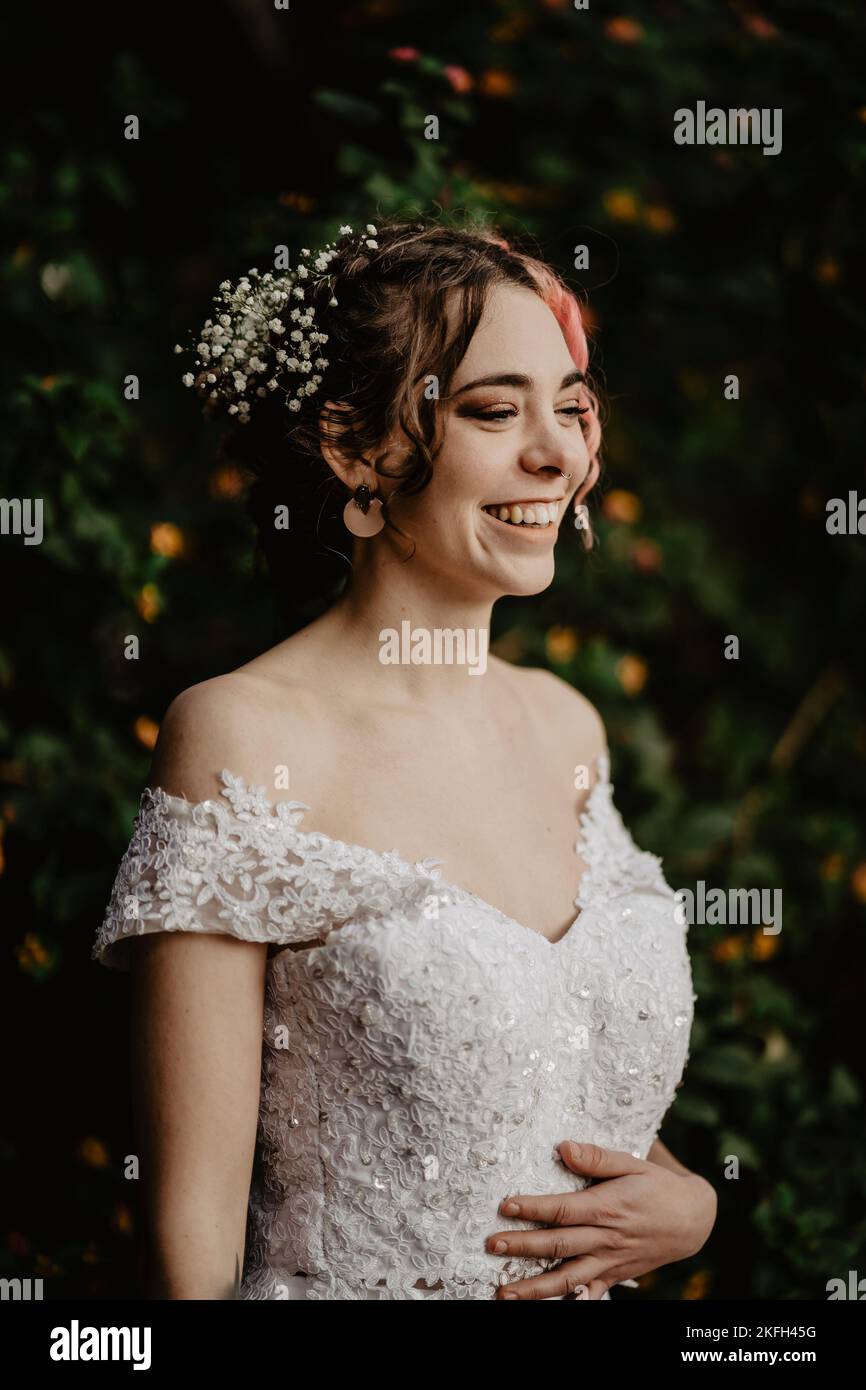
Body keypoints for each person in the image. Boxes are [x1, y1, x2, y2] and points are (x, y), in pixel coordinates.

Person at [93, 216, 716, 1300]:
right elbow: (188, 1244)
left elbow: (541, 1074)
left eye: (567, 405)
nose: (555, 450)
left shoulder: (567, 725)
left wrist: (688, 1201)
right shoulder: (242, 737)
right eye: (491, 409)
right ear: (354, 446)